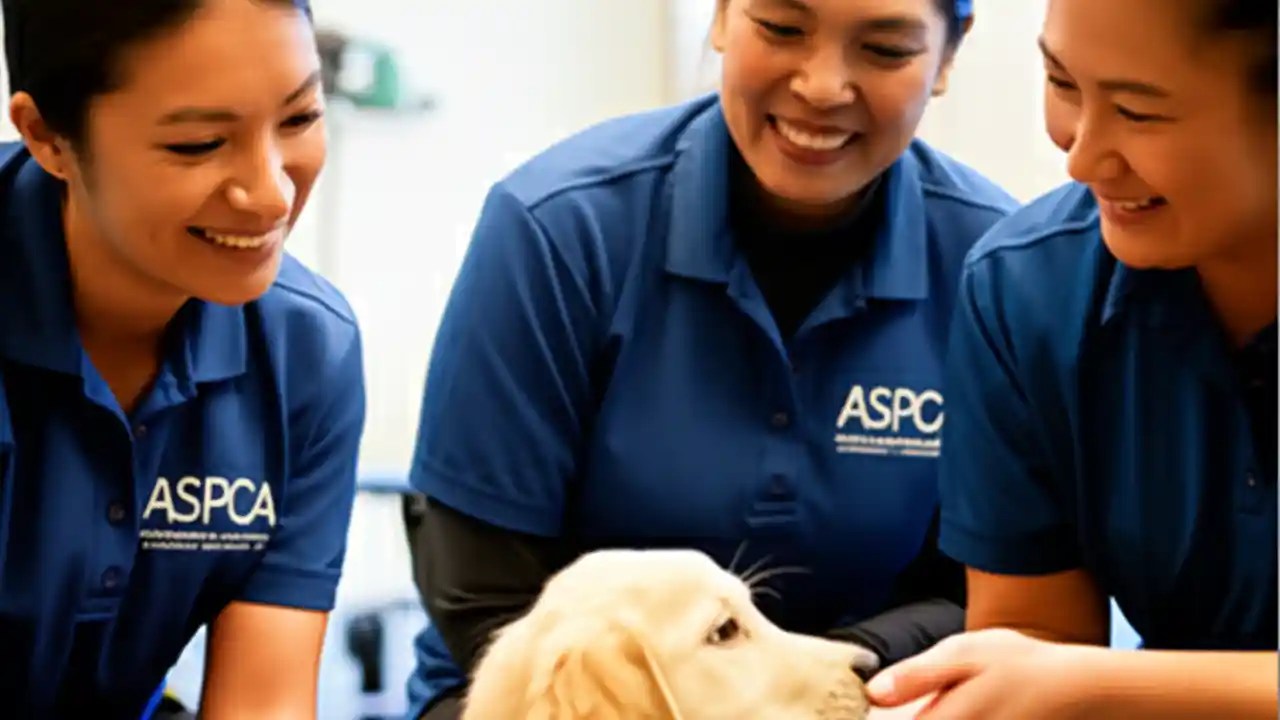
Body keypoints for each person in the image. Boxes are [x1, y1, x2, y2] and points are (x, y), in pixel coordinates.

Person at [401, 0, 1021, 717]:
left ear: (946, 57)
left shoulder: (996, 271)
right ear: (724, 15)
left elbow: (998, 600)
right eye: (783, 29)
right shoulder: (557, 228)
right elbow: (484, 601)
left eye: (884, 50)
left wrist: (828, 677)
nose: (822, 86)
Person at [866, 0, 1278, 717]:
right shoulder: (1025, 290)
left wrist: (1101, 686)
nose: (1079, 156)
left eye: (1139, 113)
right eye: (1061, 83)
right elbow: (1032, 645)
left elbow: (1062, 677)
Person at [0, 0, 366, 716]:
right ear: (47, 137)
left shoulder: (303, 351)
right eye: (199, 144)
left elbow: (265, 703)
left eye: (298, 120)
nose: (270, 193)